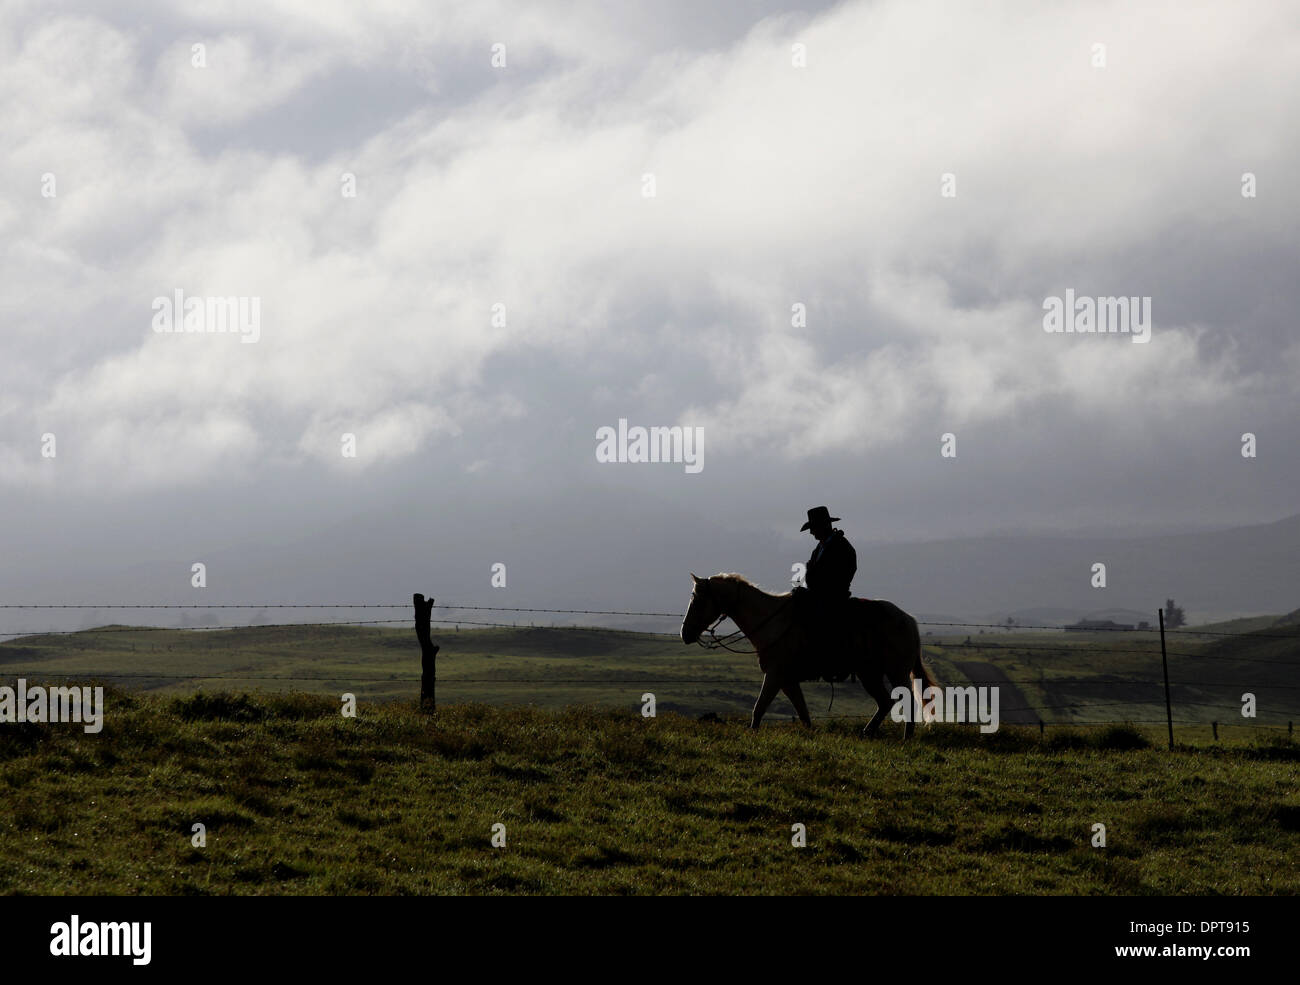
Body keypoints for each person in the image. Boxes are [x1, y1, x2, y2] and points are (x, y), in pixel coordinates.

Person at [793, 506, 857, 681]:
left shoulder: (841, 547)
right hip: (818, 594)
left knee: (819, 620)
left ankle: (825, 663)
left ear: (823, 527)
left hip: (833, 597)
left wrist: (822, 590)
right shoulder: (820, 548)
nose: (812, 533)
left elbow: (844, 572)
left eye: (813, 529)